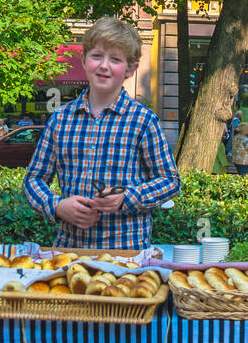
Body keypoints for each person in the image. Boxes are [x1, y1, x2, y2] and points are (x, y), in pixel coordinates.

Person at [24, 18, 180, 249]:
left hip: (127, 252)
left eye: (115, 59)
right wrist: (56, 205)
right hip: (70, 249)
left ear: (130, 69)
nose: (104, 65)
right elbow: (33, 179)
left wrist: (127, 198)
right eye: (97, 56)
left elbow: (170, 181)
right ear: (84, 61)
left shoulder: (143, 121)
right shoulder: (60, 120)